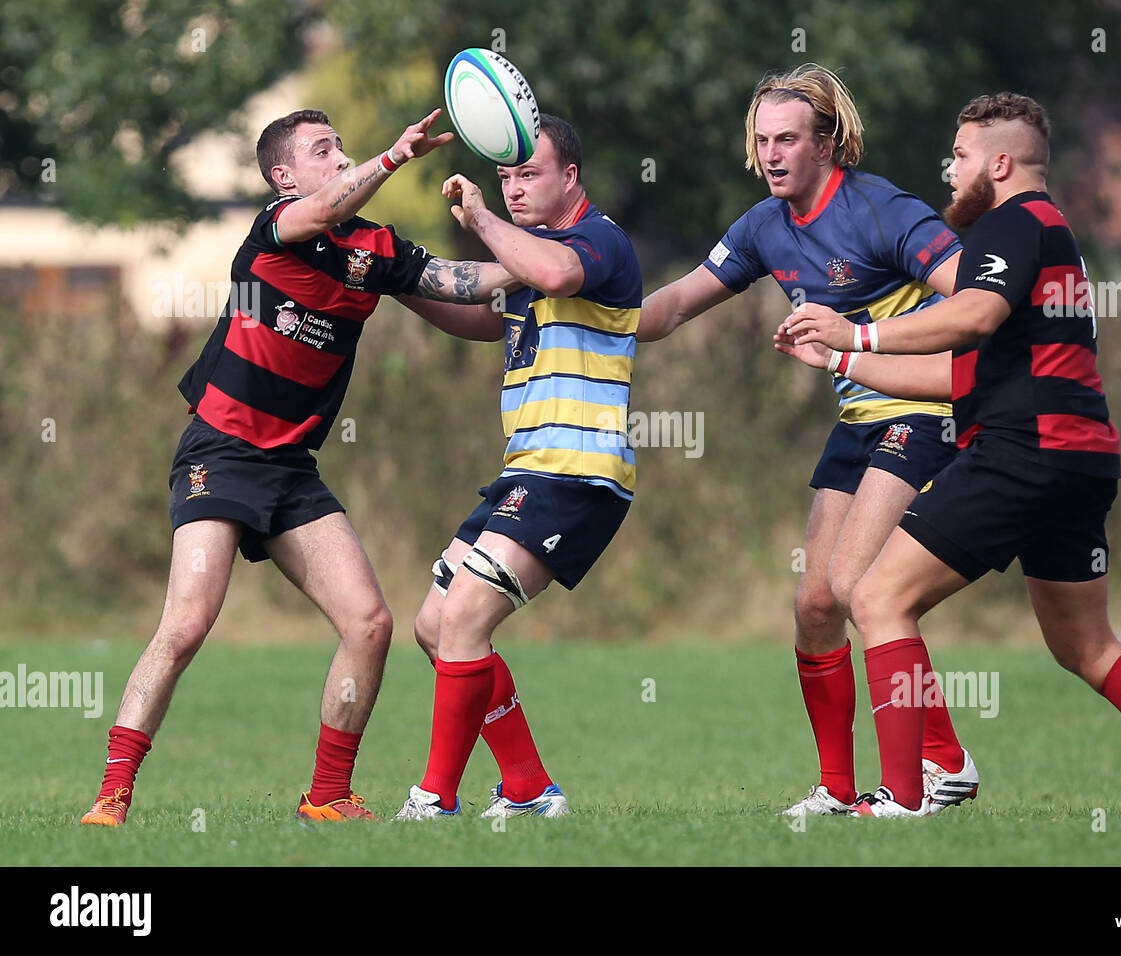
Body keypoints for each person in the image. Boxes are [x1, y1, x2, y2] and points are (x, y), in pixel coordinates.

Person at [776, 92, 1121, 818]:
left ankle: (906, 798)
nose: (951, 169)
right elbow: (955, 375)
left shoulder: (1012, 221)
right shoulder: (1048, 233)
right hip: (1081, 462)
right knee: (1088, 646)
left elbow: (973, 317)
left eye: (962, 156)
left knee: (877, 598)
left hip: (1022, 454)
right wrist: (839, 360)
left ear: (999, 164)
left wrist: (858, 334)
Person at [79, 108, 520, 825]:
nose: (341, 155)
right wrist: (393, 157)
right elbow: (324, 206)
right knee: (188, 622)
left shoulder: (375, 246)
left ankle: (328, 797)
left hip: (290, 467)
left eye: (342, 144)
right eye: (324, 149)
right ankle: (113, 794)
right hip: (220, 450)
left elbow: (465, 289)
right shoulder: (278, 225)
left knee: (370, 623)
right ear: (283, 175)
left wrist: (555, 273)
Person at [636, 64, 977, 815]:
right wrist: (590, 312)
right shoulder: (763, 226)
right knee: (816, 603)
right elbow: (675, 305)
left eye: (787, 138)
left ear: (827, 142)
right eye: (761, 142)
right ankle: (842, 786)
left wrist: (869, 338)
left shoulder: (883, 210)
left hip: (922, 417)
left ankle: (932, 772)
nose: (771, 155)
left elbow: (979, 301)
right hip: (857, 425)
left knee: (861, 588)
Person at [392, 114, 641, 819]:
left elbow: (556, 271)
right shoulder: (530, 259)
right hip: (527, 472)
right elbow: (479, 316)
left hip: (577, 472)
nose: (514, 189)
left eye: (529, 175)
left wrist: (478, 218)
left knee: (467, 613)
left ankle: (433, 798)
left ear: (571, 176)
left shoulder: (597, 241)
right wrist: (390, 278)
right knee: (435, 626)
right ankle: (529, 788)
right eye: (505, 178)